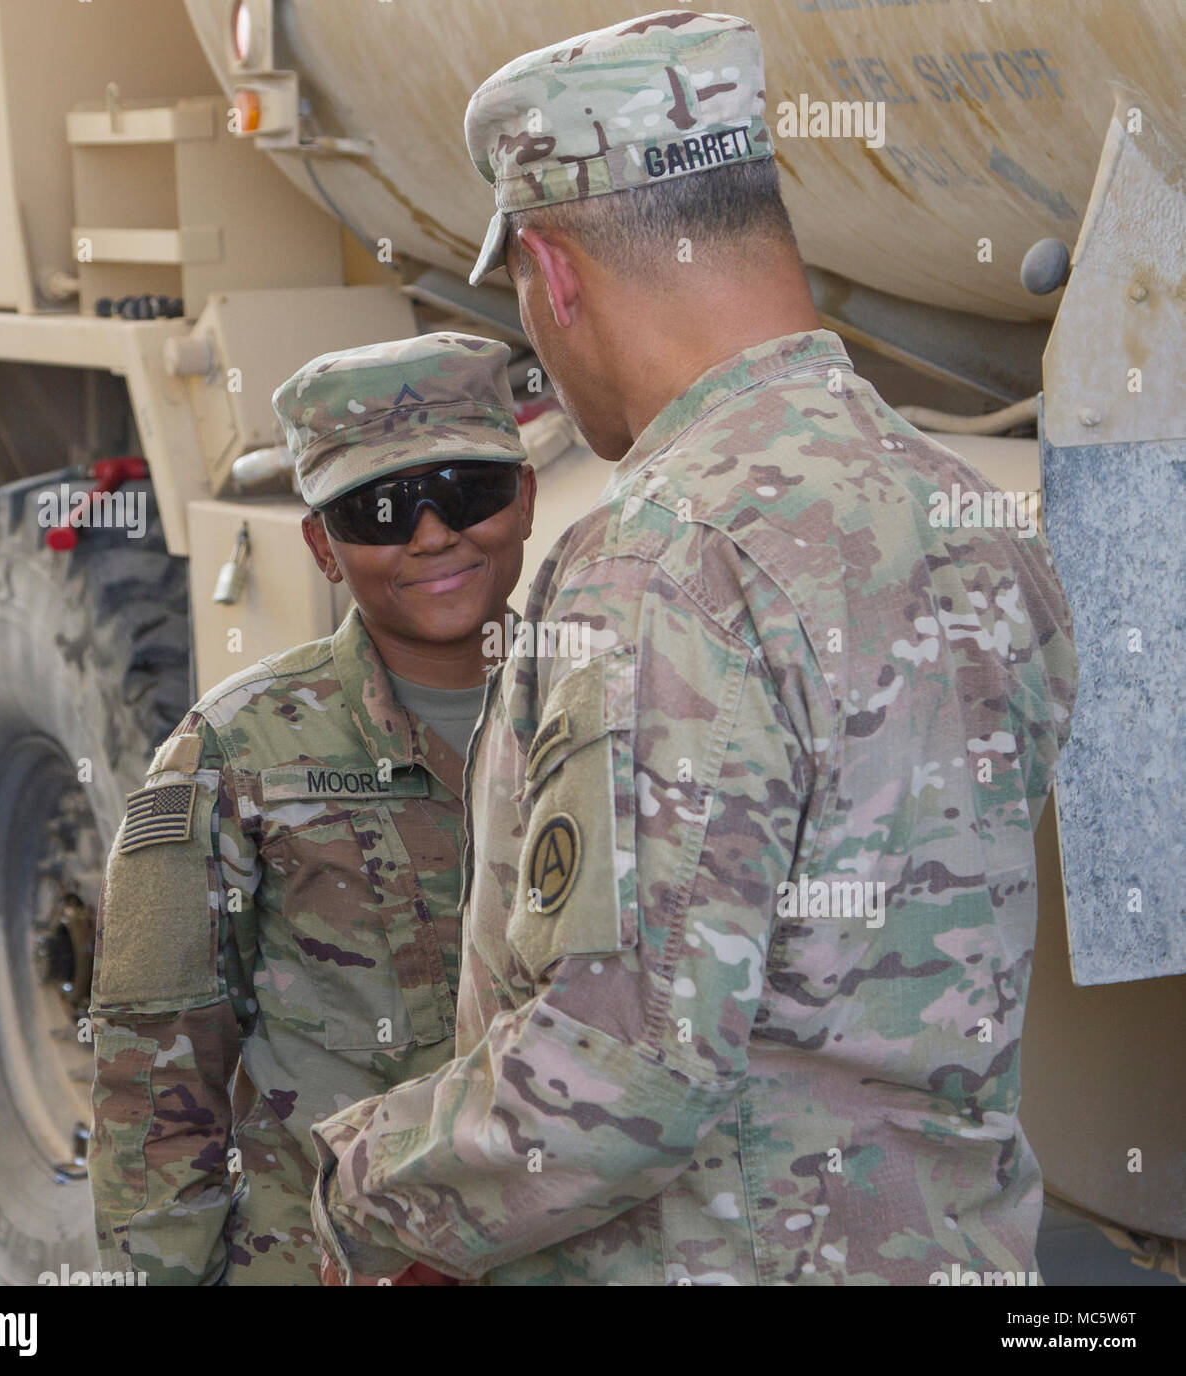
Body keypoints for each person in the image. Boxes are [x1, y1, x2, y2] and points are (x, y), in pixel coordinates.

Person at [309, 10, 1078, 1286]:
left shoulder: (656, 566)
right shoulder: (967, 510)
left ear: (551, 271)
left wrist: (362, 1197)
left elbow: (619, 1074)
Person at [87, 332, 535, 1283]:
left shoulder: (613, 713)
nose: (431, 535)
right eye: (380, 510)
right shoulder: (231, 755)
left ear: (526, 500)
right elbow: (155, 1083)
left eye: (466, 491)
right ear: (323, 548)